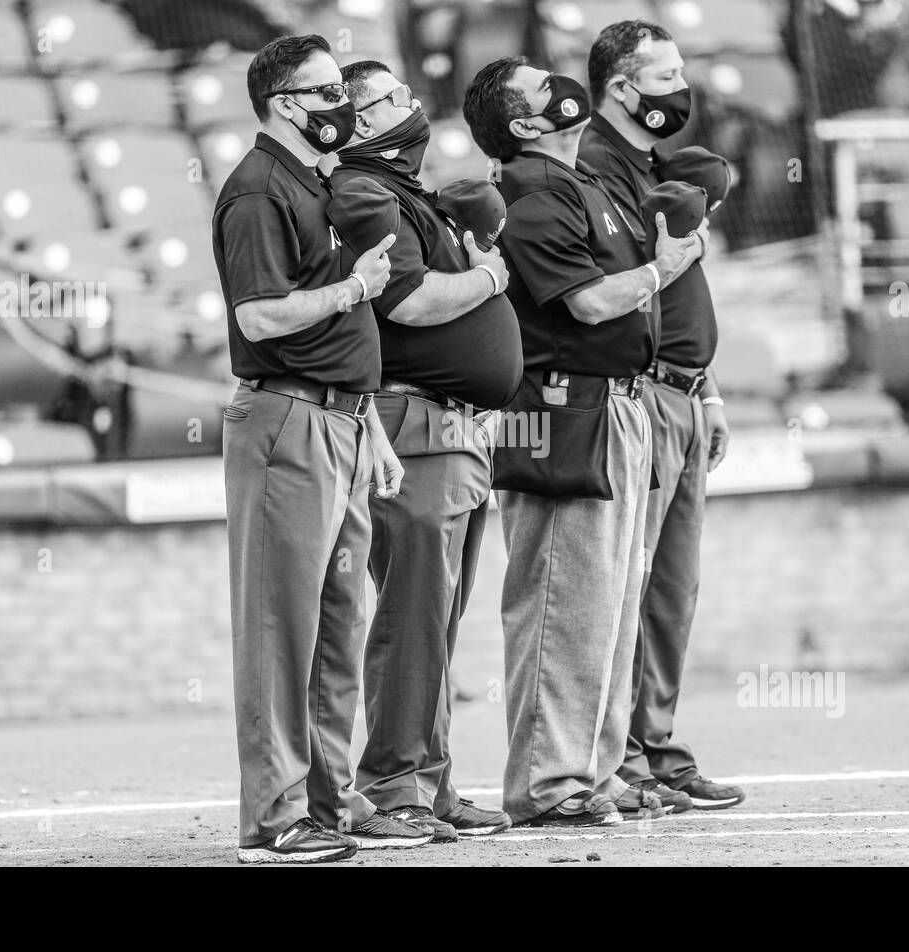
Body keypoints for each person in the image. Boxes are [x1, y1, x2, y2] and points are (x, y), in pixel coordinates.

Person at [462, 56, 706, 827]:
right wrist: (662, 271)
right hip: (568, 411)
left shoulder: (585, 184)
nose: (561, 86)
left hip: (619, 404)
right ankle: (549, 784)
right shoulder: (532, 195)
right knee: (565, 603)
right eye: (541, 88)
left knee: (610, 606)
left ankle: (591, 774)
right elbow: (594, 302)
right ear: (526, 124)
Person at [212, 33, 433, 864]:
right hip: (284, 423)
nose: (343, 102)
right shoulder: (259, 190)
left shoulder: (320, 184)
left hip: (338, 422)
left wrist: (368, 423)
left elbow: (337, 332)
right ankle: (272, 823)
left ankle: (329, 802)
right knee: (280, 626)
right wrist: (354, 289)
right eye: (328, 90)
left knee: (340, 622)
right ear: (283, 104)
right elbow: (261, 318)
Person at [330, 59, 522, 839]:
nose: (411, 108)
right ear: (361, 122)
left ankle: (430, 779)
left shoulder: (410, 193)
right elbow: (409, 302)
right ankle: (396, 781)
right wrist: (486, 279)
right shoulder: (362, 191)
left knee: (439, 614)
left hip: (451, 426)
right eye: (390, 101)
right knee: (411, 614)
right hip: (410, 423)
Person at [578, 19, 745, 813]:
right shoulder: (592, 163)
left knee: (672, 589)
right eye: (666, 75)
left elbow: (680, 290)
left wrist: (706, 388)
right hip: (637, 392)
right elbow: (621, 287)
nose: (681, 90)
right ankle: (627, 761)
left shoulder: (652, 161)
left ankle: (659, 747)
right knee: (631, 585)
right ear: (622, 85)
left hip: (683, 390)